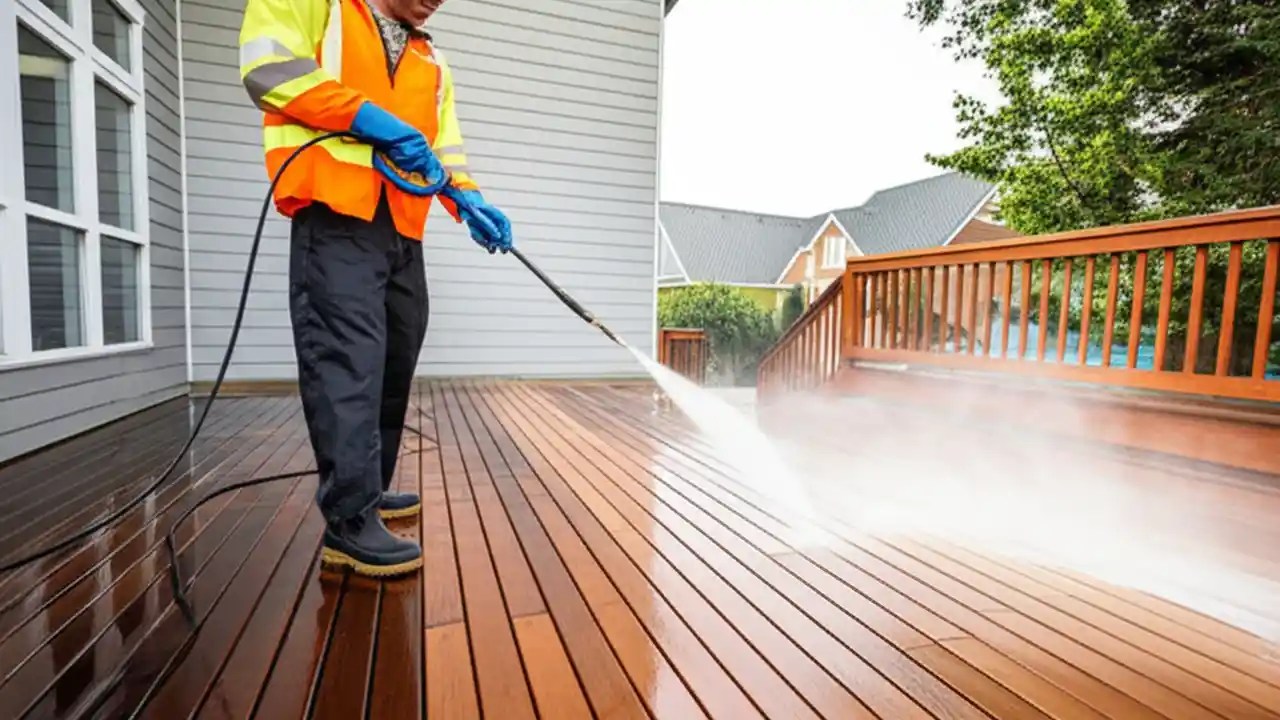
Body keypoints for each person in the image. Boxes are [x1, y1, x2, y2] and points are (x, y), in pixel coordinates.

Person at [238, 0, 511, 577]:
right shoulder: (321, 6)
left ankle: (371, 490)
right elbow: (267, 68)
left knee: (394, 358)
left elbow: (443, 147)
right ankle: (348, 523)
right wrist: (367, 119)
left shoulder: (431, 60)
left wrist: (467, 199)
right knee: (349, 363)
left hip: (402, 227)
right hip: (336, 215)